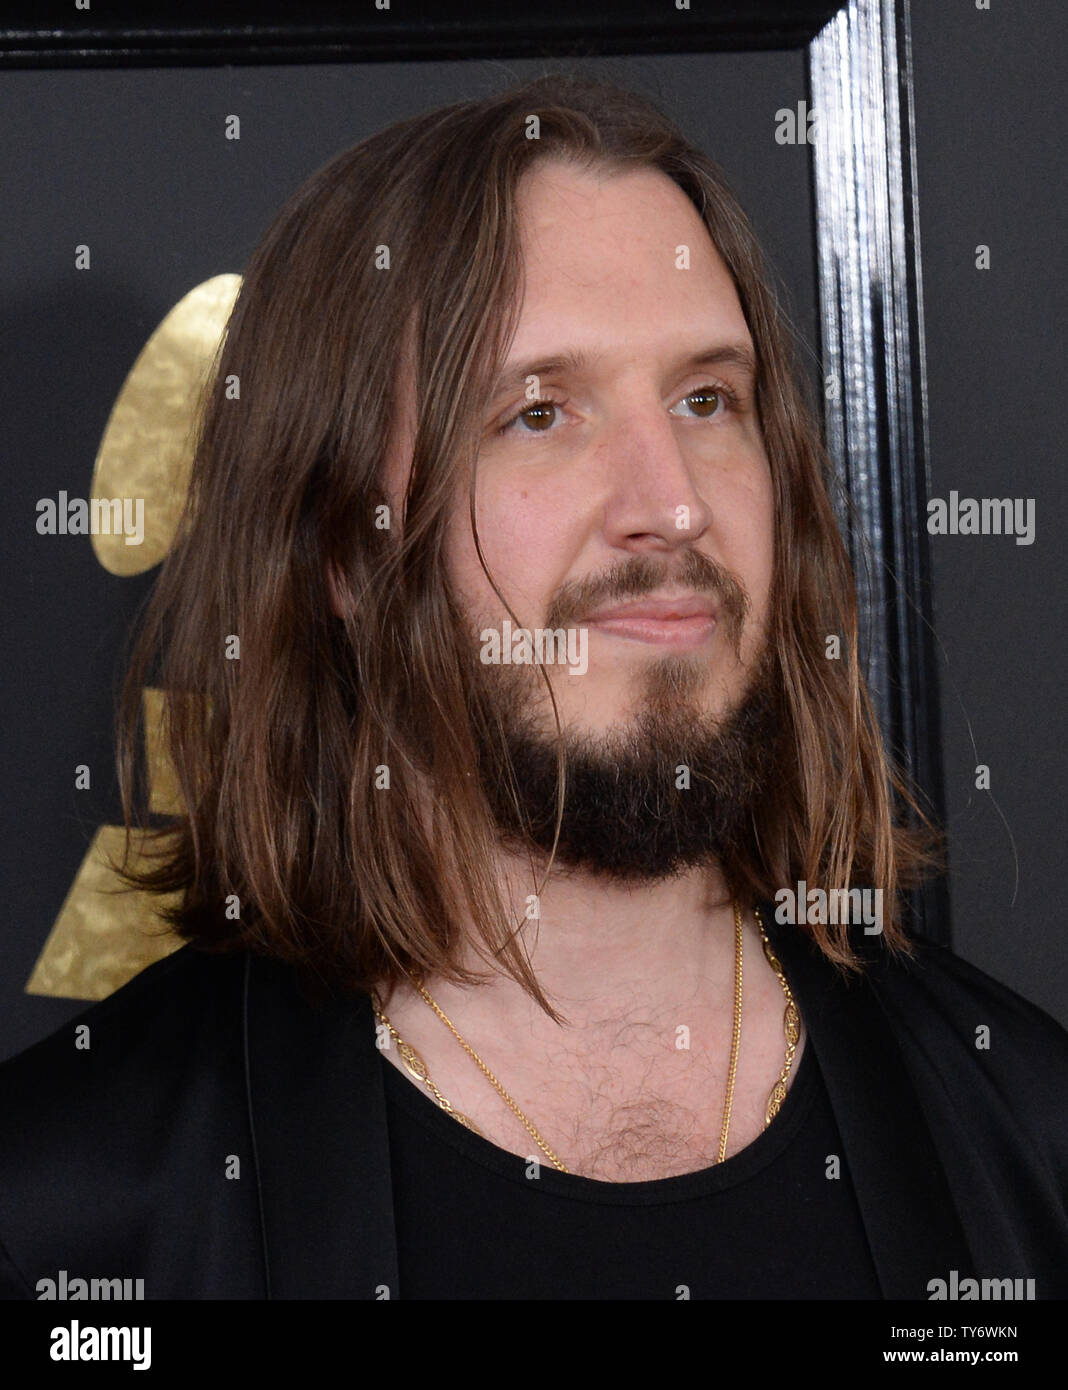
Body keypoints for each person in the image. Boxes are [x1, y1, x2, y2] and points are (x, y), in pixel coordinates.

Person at [1, 74, 1066, 1302]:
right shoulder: (72, 1217)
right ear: (346, 546)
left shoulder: (1023, 1141)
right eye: (542, 412)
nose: (670, 503)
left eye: (707, 399)